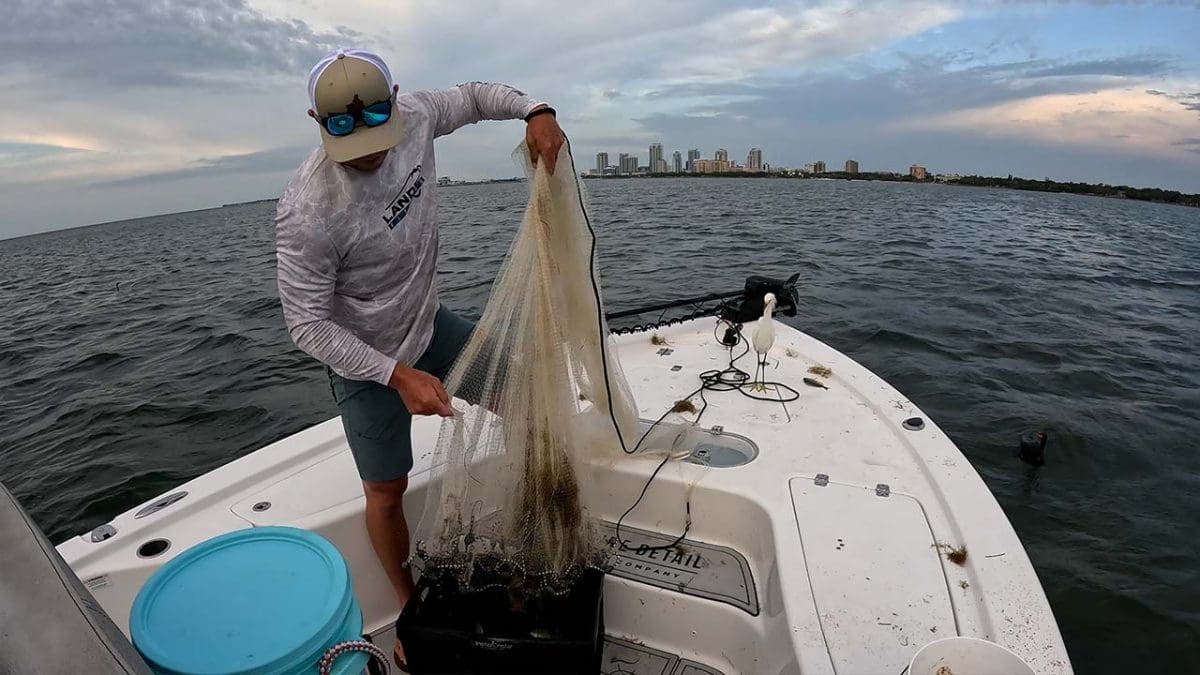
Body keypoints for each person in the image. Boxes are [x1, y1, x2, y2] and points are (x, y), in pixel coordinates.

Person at [274, 48, 563, 668]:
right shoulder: (306, 211)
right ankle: (412, 608)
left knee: (531, 400)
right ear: (315, 121)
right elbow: (306, 324)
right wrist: (395, 374)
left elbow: (479, 96)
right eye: (352, 144)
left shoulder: (418, 115)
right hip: (364, 361)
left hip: (432, 327)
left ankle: (542, 534)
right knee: (386, 490)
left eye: (380, 136)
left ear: (397, 101)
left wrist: (535, 109)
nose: (372, 154)